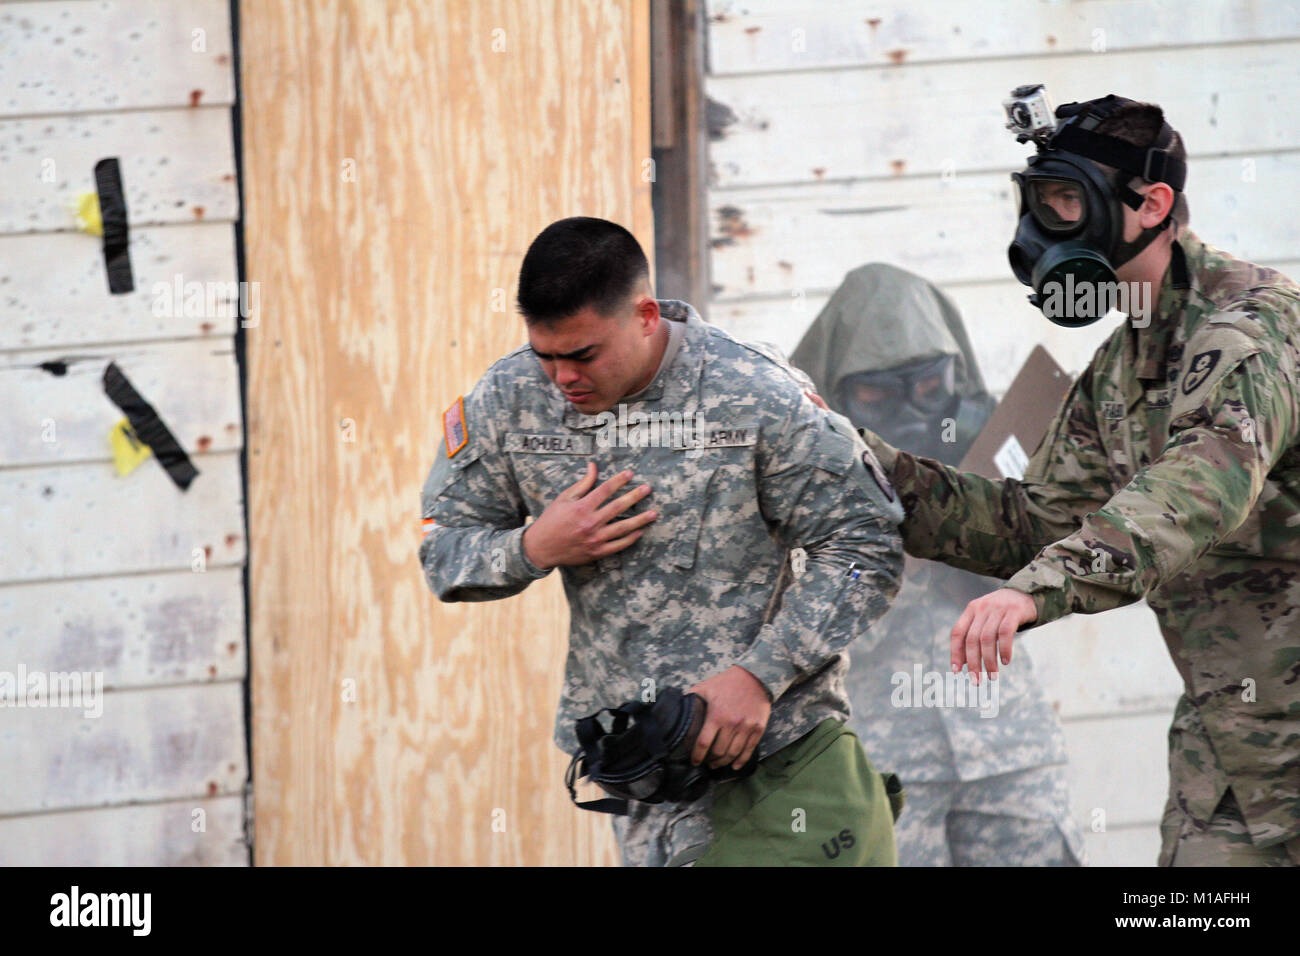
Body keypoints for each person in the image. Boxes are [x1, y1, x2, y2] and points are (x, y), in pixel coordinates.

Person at [861, 93, 1300, 866]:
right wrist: (865, 465)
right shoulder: (1123, 362)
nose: (1042, 230)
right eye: (1038, 204)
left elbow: (1198, 489)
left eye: (1067, 201)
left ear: (1150, 204)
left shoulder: (1247, 330)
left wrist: (1040, 588)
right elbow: (1036, 524)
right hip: (1231, 749)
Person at [418, 216, 905, 866]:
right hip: (641, 770)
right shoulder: (510, 400)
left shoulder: (752, 394)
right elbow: (443, 551)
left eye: (583, 354)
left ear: (645, 315)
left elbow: (866, 546)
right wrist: (534, 546)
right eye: (546, 353)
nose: (562, 377)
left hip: (773, 759)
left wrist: (760, 677)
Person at [790, 262, 1085, 866]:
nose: (913, 409)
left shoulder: (991, 453)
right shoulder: (799, 476)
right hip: (879, 757)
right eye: (879, 394)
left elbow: (1065, 571)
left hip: (1009, 742)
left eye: (929, 387)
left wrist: (977, 508)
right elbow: (805, 617)